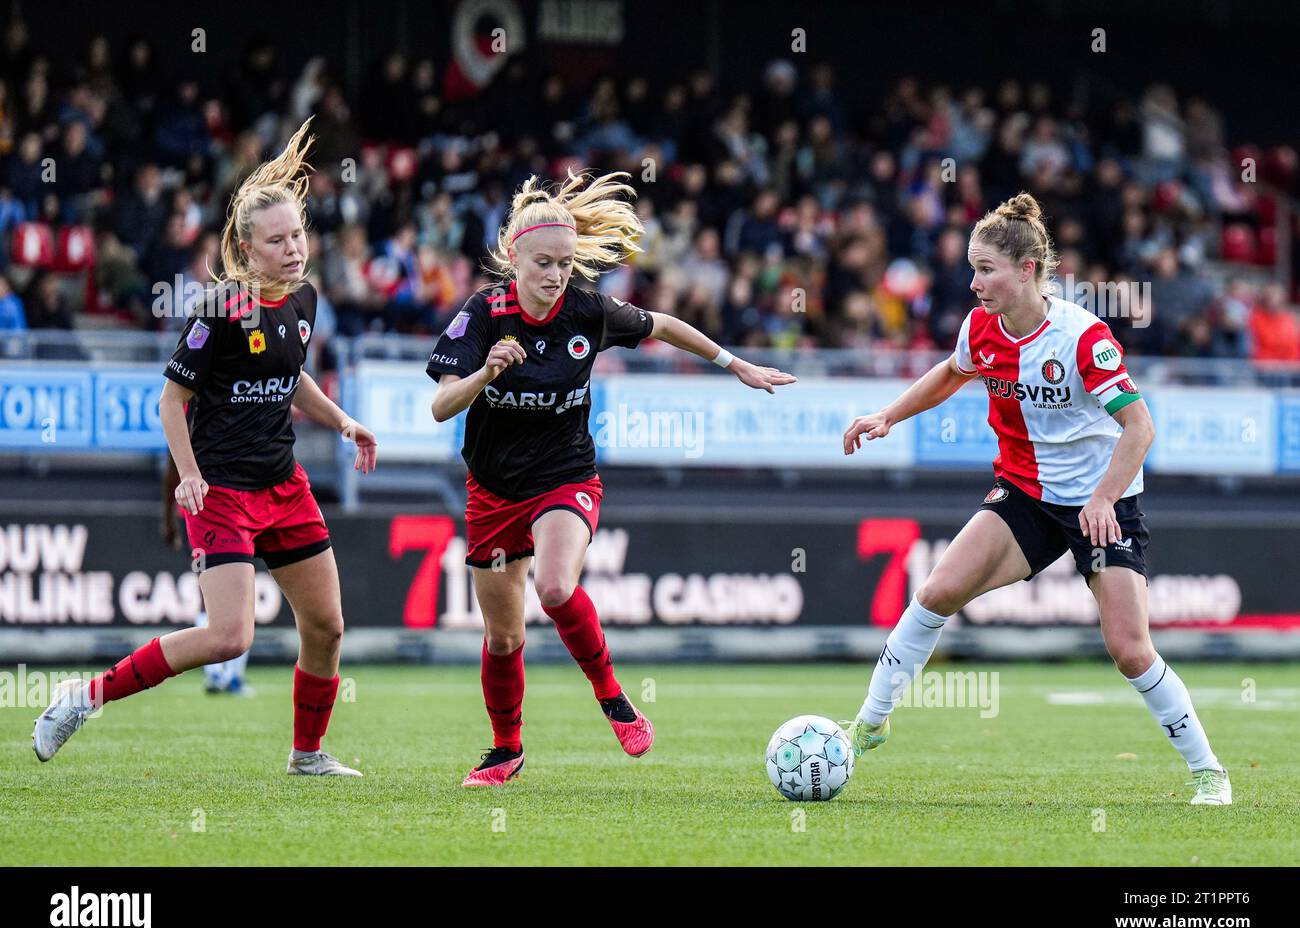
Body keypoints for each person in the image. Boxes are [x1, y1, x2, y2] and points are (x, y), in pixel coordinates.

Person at [841, 192, 1231, 806]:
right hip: (1025, 493)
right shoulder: (980, 327)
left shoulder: (1083, 336)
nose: (974, 283)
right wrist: (888, 416)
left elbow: (1140, 429)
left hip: (1104, 503)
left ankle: (1209, 772)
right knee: (938, 590)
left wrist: (1103, 498)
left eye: (986, 270)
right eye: (971, 268)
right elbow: (950, 372)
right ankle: (868, 722)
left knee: (1129, 649)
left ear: (1026, 271)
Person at [428, 169, 796, 786]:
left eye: (566, 264)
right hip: (492, 491)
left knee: (552, 586)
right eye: (543, 262)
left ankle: (613, 698)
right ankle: (506, 749)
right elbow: (442, 406)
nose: (555, 275)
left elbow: (664, 326)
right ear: (514, 257)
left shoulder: (588, 311)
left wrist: (736, 365)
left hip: (565, 478)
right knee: (501, 638)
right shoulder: (483, 315)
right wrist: (485, 374)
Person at [34, 119, 378, 775]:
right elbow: (170, 401)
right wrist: (188, 475)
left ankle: (307, 755)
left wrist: (342, 422)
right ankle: (83, 698)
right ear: (247, 249)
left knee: (328, 628)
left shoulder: (304, 301)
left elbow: (291, 376)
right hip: (220, 490)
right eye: (277, 241)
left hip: (283, 484)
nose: (293, 250)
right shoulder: (218, 311)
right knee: (229, 637)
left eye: (298, 236)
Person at [162, 454, 254, 696]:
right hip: (211, 518)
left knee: (211, 592)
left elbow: (171, 471)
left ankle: (220, 675)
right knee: (233, 593)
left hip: (201, 519)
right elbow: (173, 469)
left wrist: (168, 518)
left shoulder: (187, 424)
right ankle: (227, 676)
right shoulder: (198, 426)